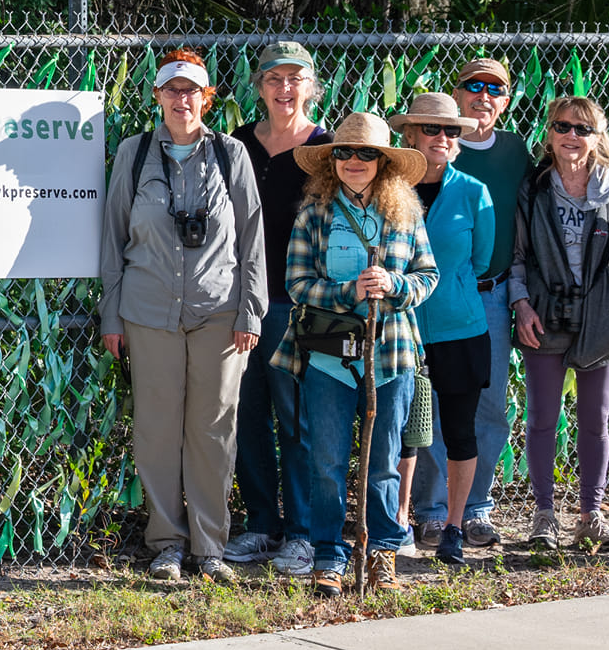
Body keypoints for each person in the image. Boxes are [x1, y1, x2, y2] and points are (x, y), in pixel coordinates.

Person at [101, 49, 267, 583]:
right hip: (148, 312)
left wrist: (252, 309)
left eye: (191, 90)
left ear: (207, 98)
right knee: (156, 430)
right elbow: (114, 239)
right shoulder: (134, 153)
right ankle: (167, 543)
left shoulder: (231, 154)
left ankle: (210, 546)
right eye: (172, 90)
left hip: (219, 312)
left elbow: (252, 239)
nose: (182, 100)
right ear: (156, 97)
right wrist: (112, 315)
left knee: (213, 429)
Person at [273, 112, 439, 595]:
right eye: (344, 152)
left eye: (367, 153)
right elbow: (297, 284)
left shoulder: (405, 214)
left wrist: (394, 284)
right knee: (325, 462)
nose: (354, 161)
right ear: (332, 160)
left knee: (384, 460)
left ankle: (382, 554)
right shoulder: (314, 214)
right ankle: (329, 556)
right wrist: (348, 291)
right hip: (329, 357)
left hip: (391, 358)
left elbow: (428, 276)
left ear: (384, 161)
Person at [510, 95, 609, 552]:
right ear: (549, 133)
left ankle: (592, 514)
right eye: (563, 126)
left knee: (595, 420)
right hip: (545, 313)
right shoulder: (534, 188)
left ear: (596, 137)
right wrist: (521, 305)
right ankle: (543, 515)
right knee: (542, 418)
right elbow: (518, 256)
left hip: (599, 316)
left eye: (582, 129)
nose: (571, 136)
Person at [411, 57, 532, 549]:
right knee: (426, 411)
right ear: (457, 94)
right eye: (474, 86)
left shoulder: (515, 150)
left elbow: (564, 174)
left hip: (487, 295)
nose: (484, 95)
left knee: (486, 406)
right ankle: (433, 510)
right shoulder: (413, 168)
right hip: (419, 301)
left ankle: (475, 508)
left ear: (505, 101)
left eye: (496, 89)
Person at [229, 41, 332, 575]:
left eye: (295, 79)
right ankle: (262, 526)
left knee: (298, 422)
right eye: (274, 78)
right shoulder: (236, 145)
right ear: (259, 85)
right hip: (240, 304)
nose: (284, 89)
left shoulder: (330, 148)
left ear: (310, 86)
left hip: (300, 306)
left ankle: (303, 533)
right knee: (246, 416)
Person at [389, 93, 494, 566]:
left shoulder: (474, 192)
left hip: (461, 329)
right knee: (403, 432)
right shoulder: (389, 188)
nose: (443, 139)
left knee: (460, 431)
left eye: (452, 131)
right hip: (402, 328)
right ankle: (398, 521)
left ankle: (452, 527)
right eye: (432, 129)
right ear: (409, 135)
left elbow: (482, 259)